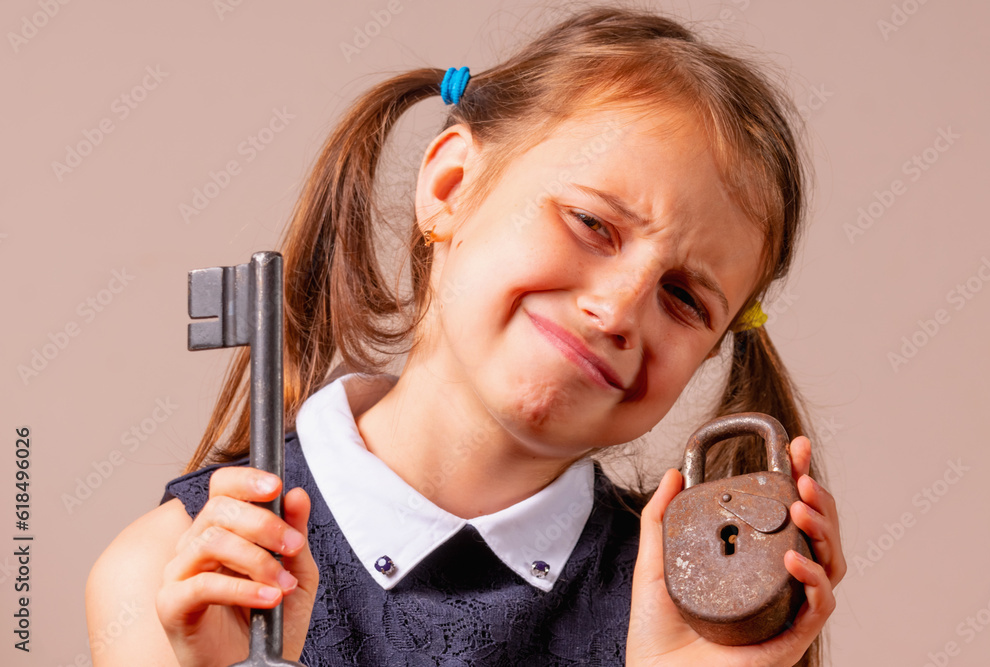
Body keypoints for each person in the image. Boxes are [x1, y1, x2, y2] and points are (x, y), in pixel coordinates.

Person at [86, 6, 845, 666]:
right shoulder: (171, 579)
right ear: (450, 188)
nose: (618, 310)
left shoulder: (687, 611)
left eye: (683, 298)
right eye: (591, 224)